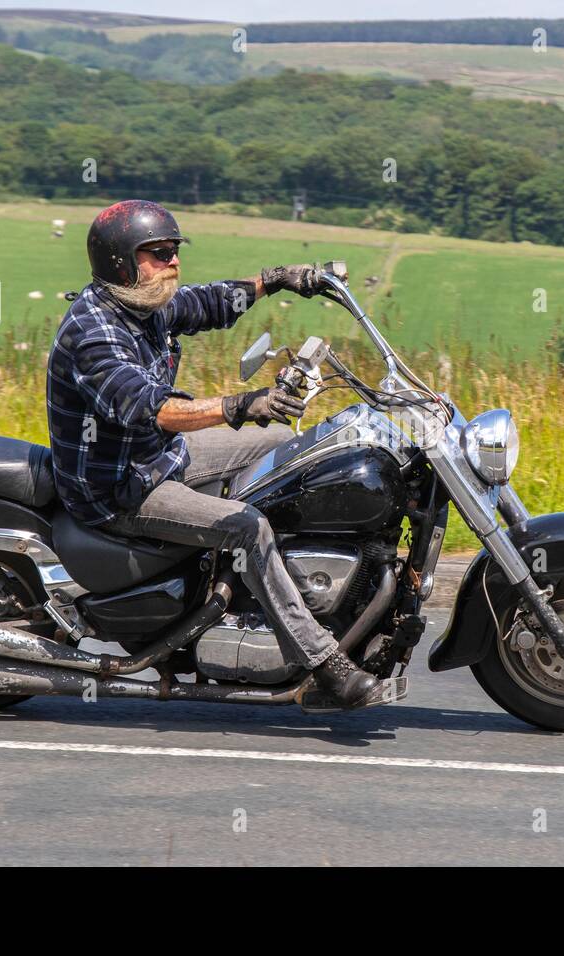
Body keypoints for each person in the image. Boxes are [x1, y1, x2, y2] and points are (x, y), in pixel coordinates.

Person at [47, 199, 381, 707]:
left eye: (175, 251)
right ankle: (323, 661)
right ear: (121, 264)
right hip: (120, 489)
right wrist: (240, 404)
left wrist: (277, 280)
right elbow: (148, 407)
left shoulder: (143, 305)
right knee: (249, 527)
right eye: (158, 253)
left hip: (159, 457)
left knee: (283, 447)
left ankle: (265, 585)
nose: (174, 262)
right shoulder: (94, 333)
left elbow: (209, 304)